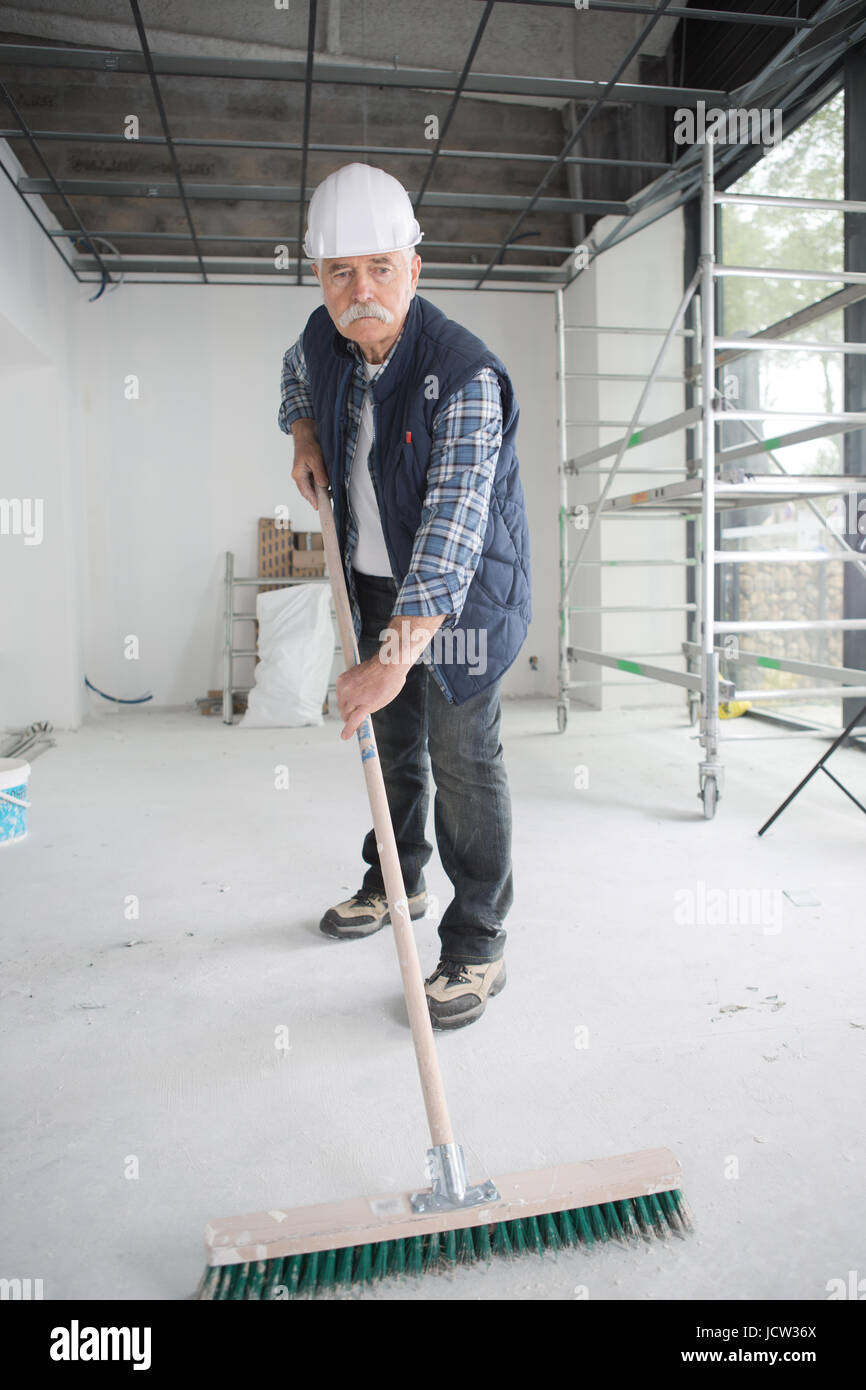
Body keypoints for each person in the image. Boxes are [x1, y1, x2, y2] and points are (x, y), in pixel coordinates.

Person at [278, 163, 531, 1029]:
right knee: (391, 750)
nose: (361, 290)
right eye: (341, 271)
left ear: (414, 270)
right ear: (320, 276)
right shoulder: (325, 335)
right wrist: (306, 431)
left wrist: (391, 661)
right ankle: (398, 882)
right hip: (377, 582)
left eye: (381, 267)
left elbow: (454, 538)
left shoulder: (466, 375)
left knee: (462, 759)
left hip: (463, 600)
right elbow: (296, 371)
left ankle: (478, 944)